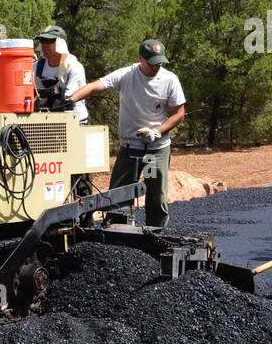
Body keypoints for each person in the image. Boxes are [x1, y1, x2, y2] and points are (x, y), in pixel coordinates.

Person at [67, 39, 185, 229]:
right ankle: (117, 231)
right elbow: (96, 86)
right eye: (153, 63)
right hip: (131, 148)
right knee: (118, 195)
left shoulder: (169, 80)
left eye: (160, 63)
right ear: (141, 60)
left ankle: (156, 233)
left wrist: (158, 131)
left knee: (155, 196)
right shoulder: (127, 75)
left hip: (154, 151)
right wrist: (71, 99)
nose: (157, 67)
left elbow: (179, 114)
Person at [33, 25, 89, 123]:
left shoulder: (73, 67)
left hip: (74, 123)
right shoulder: (36, 67)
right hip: (46, 122)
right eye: (42, 41)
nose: (44, 45)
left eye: (49, 41)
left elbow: (67, 97)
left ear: (61, 43)